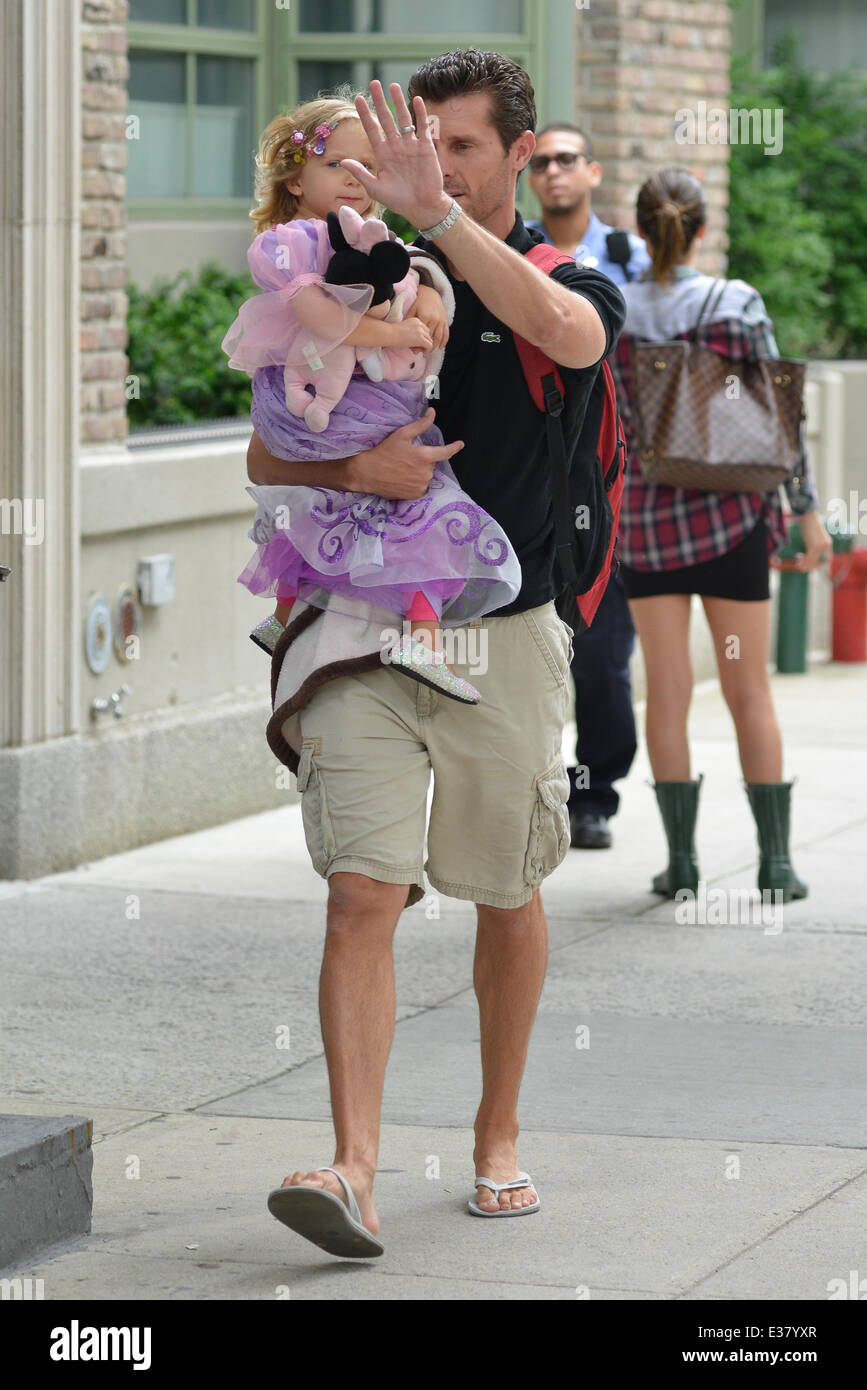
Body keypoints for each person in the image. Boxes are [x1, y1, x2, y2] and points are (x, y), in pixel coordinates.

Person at [246, 53, 625, 1252]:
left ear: (519, 155)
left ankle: (495, 1132)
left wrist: (441, 221)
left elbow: (567, 343)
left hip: (498, 633)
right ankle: (352, 1165)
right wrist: (352, 468)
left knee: (505, 888)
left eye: (458, 148)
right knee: (362, 889)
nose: (426, 167)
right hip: (357, 625)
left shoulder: (559, 274)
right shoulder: (347, 265)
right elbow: (264, 455)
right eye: (417, 145)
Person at [224, 95, 521, 703]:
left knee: (321, 504)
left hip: (348, 406)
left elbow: (415, 271)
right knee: (427, 498)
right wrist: (398, 332)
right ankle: (424, 641)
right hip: (325, 406)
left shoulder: (380, 238)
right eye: (336, 165)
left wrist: (433, 297)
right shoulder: (294, 240)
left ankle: (284, 616)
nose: (355, 180)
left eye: (367, 168)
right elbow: (317, 312)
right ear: (294, 174)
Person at [608, 167, 831, 901]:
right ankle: (774, 865)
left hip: (644, 522)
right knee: (748, 691)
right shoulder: (734, 303)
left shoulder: (610, 308)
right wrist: (804, 511)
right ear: (700, 230)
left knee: (667, 694)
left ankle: (680, 866)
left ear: (640, 232)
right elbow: (777, 415)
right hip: (732, 517)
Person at [527, 123, 650, 850]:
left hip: (613, 475)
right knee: (533, 640)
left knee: (603, 651)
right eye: (540, 162)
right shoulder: (513, 255)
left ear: (593, 172)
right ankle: (532, 784)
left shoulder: (630, 258)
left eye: (566, 159)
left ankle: (594, 790)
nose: (552, 172)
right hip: (538, 467)